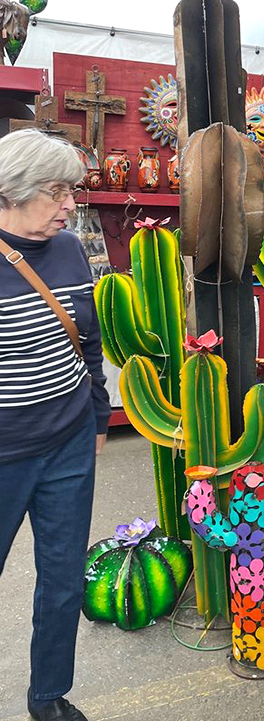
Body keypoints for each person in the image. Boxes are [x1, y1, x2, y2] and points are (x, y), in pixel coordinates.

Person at [0, 129, 110, 721]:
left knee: (64, 579)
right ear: (12, 192)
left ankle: (48, 697)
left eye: (72, 190)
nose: (70, 205)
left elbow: (87, 345)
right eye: (58, 191)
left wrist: (95, 416)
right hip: (4, 454)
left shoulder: (68, 252)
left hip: (68, 446)